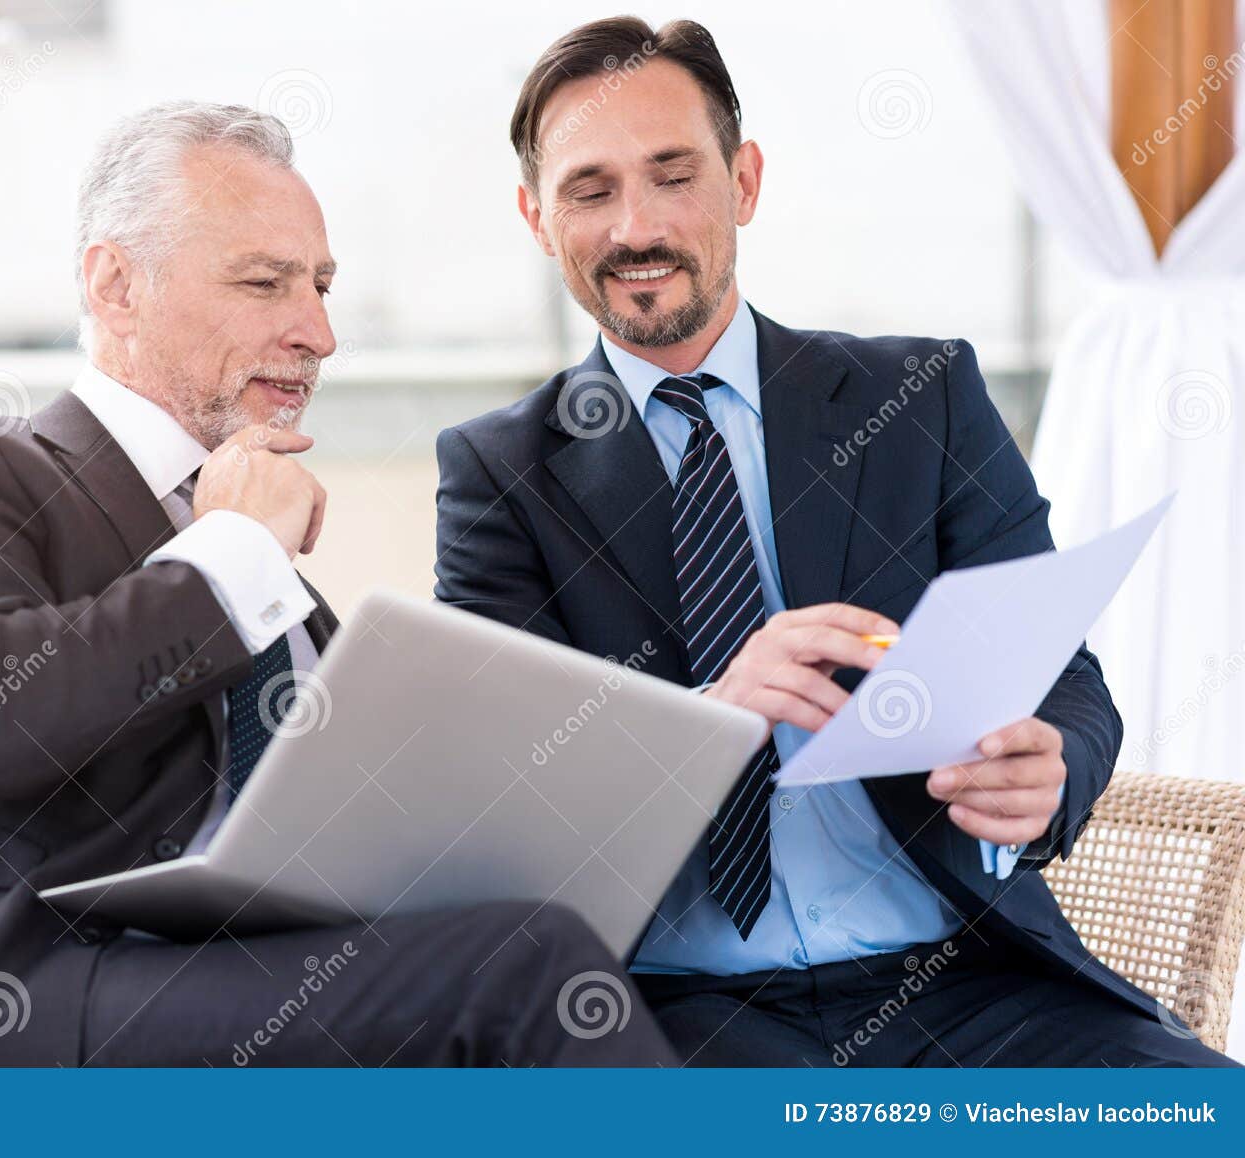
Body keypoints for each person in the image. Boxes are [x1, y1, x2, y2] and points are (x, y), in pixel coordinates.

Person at [433, 16, 1235, 1067]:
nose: (636, 227)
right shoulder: (497, 475)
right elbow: (504, 811)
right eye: (591, 190)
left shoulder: (919, 396)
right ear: (539, 218)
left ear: (744, 181)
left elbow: (1061, 679)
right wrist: (712, 718)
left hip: (971, 980)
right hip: (680, 1012)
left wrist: (1051, 774)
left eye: (673, 175)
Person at [0, 101, 677, 1068]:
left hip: (221, 961)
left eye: (320, 286)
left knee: (582, 933)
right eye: (265, 283)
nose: (318, 333)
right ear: (116, 285)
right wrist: (229, 552)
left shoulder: (242, 534)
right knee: (533, 969)